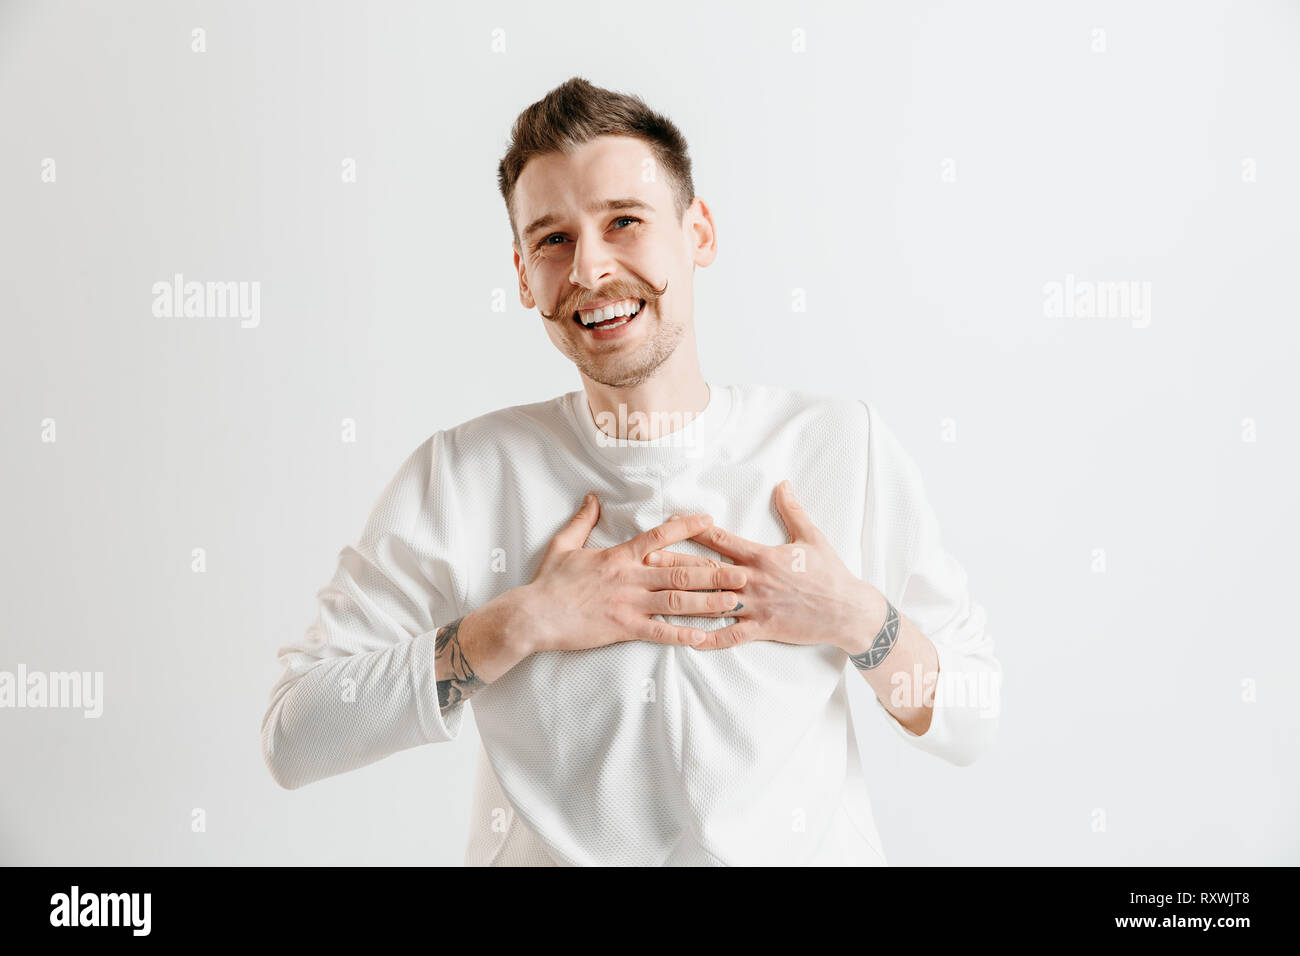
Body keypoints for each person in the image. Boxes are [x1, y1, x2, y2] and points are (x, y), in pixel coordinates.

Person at [259, 76, 1001, 866]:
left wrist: (855, 617)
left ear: (699, 232)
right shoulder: (463, 474)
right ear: (522, 276)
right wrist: (520, 624)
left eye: (624, 222)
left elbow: (972, 717)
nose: (590, 270)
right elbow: (294, 736)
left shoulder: (837, 445)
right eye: (552, 240)